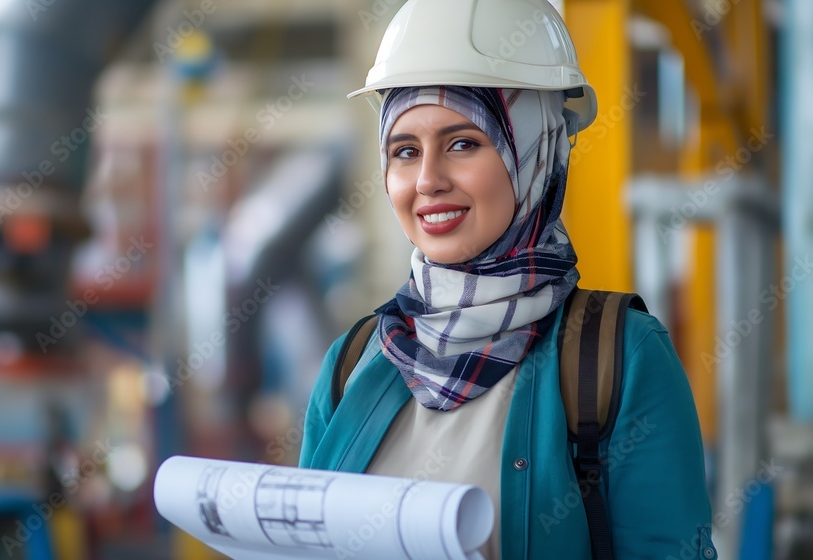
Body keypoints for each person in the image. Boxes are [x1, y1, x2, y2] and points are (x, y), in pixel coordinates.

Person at [298, 0, 716, 558]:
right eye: (404, 151)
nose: (426, 180)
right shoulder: (352, 364)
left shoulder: (621, 359)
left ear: (536, 151)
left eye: (463, 143)